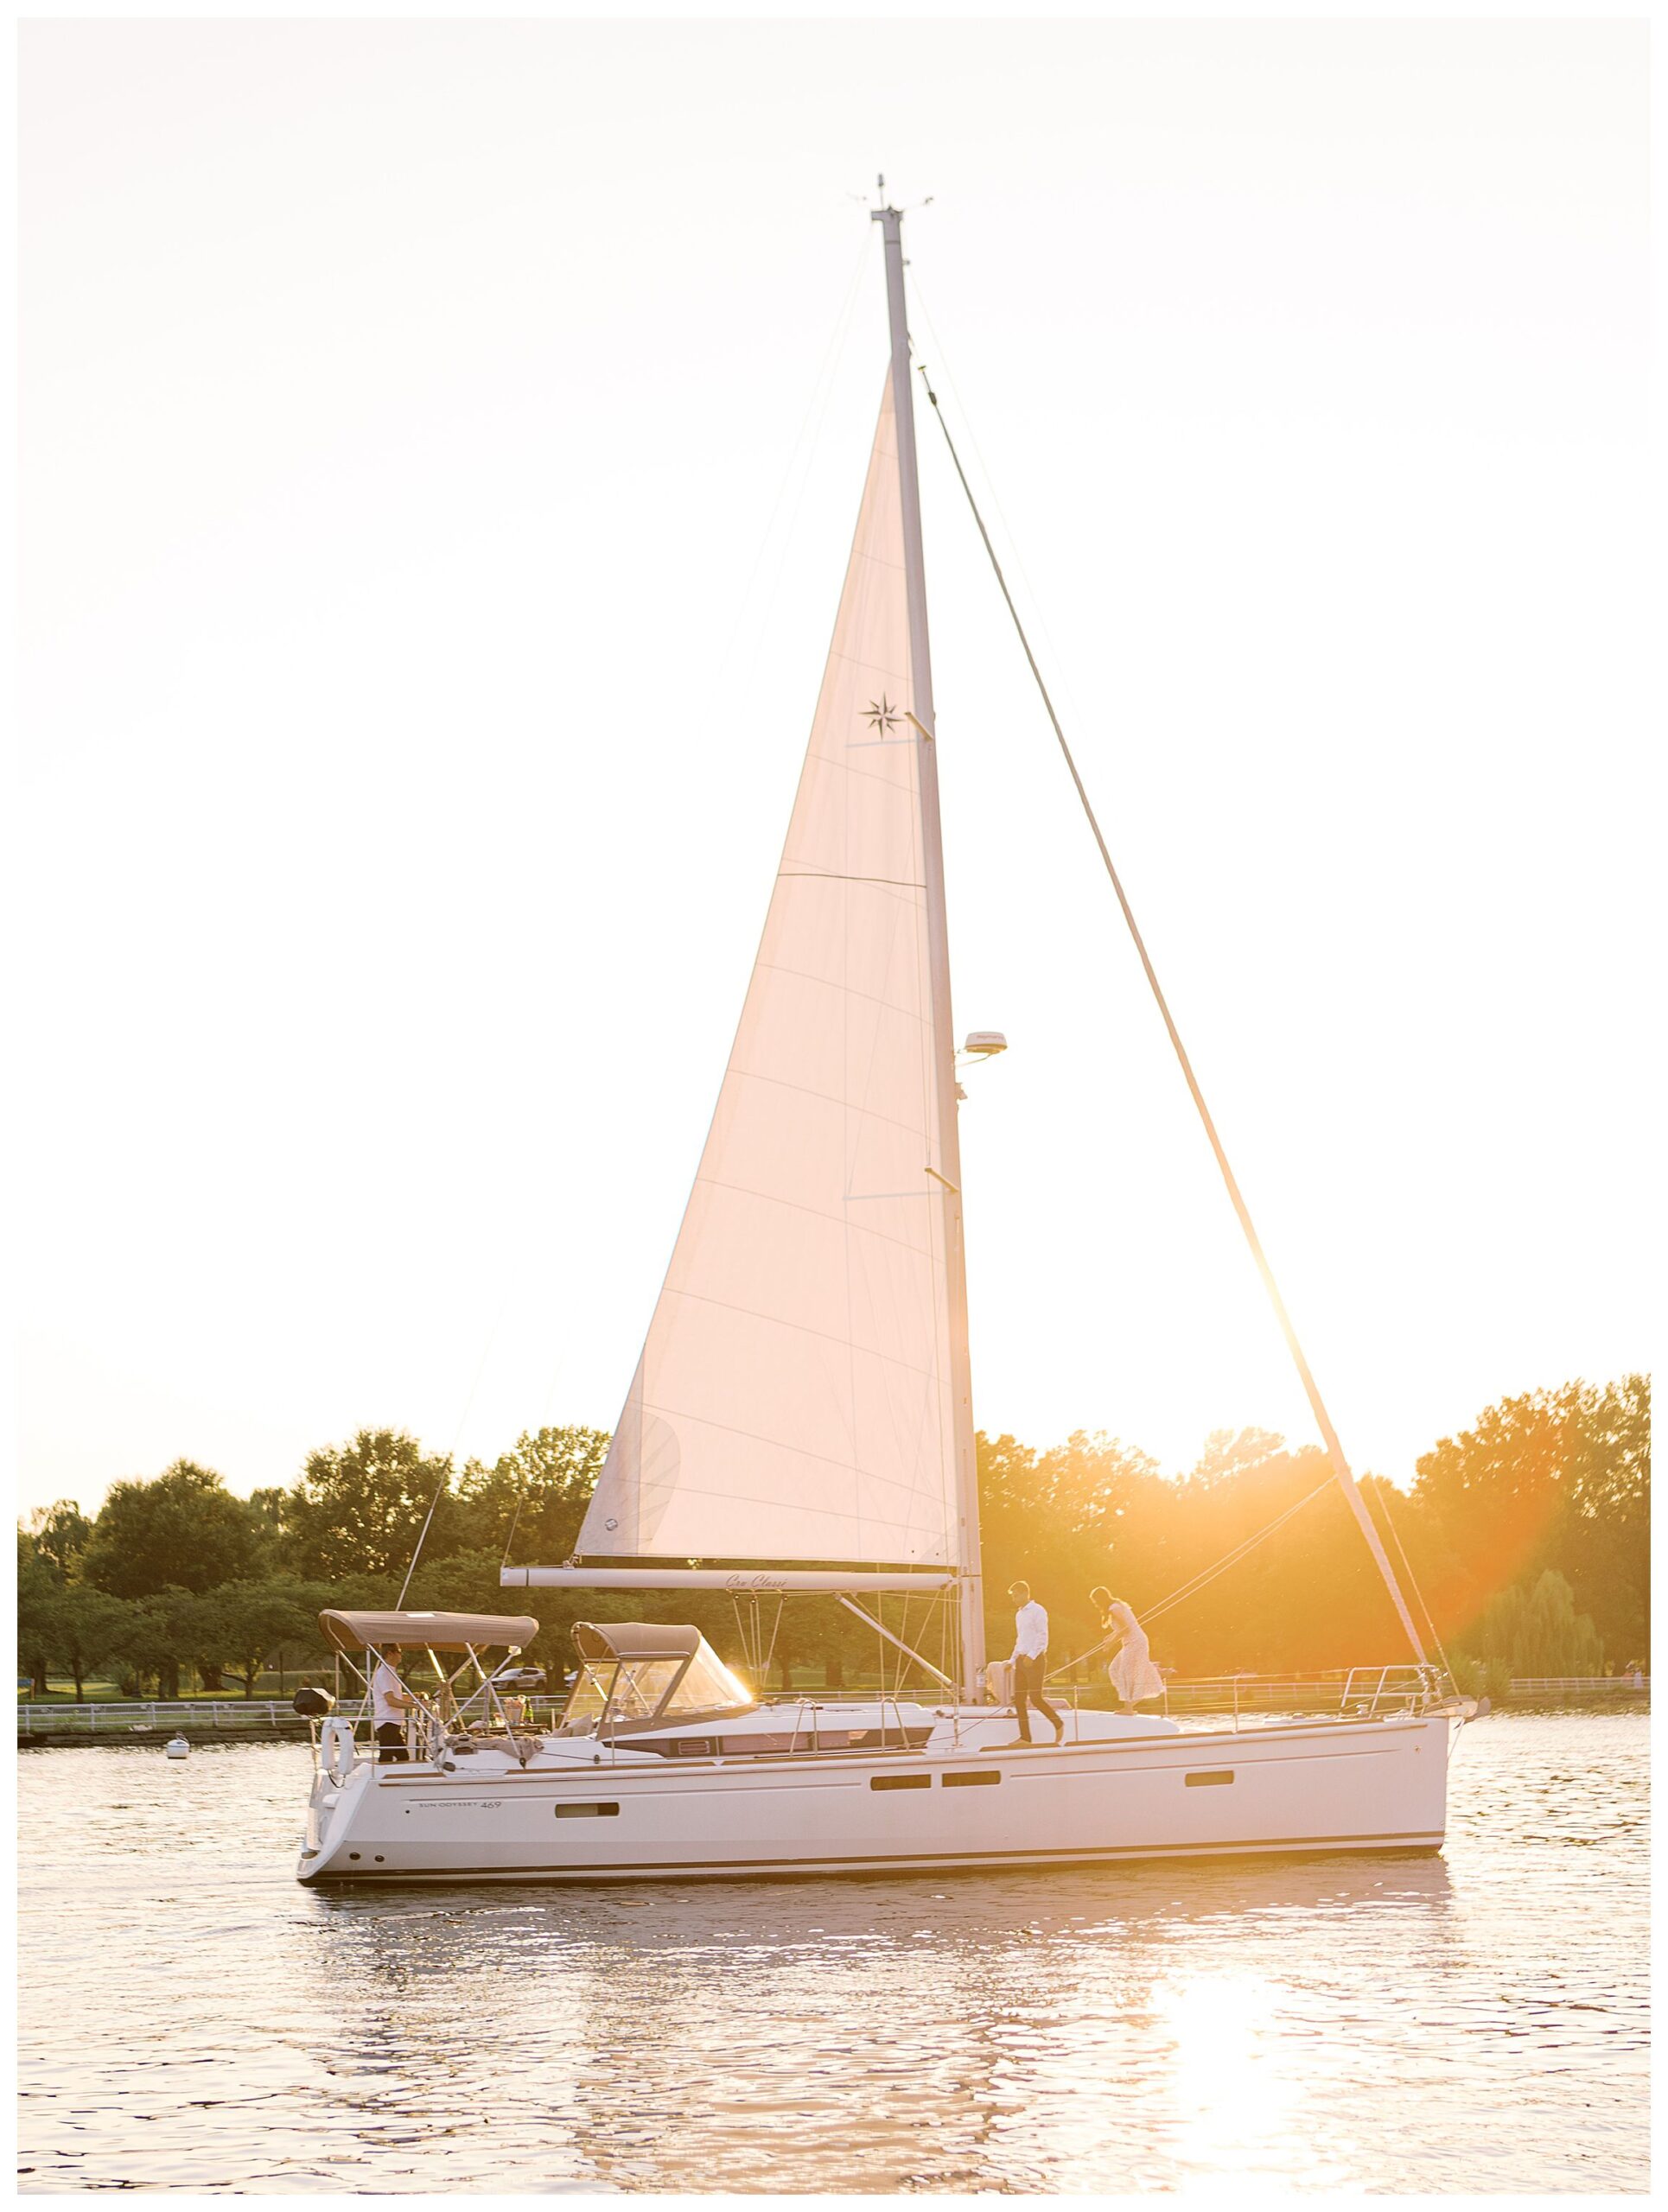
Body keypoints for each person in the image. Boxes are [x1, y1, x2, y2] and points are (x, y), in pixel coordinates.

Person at [1000, 1580, 1064, 1747]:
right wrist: (1012, 1660)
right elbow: (1020, 1639)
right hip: (1021, 1661)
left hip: (1035, 1661)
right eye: (1012, 1596)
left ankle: (1058, 1724)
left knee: (1035, 1698)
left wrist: (1032, 1655)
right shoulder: (1019, 1614)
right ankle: (1025, 1738)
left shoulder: (1038, 1611)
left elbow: (1043, 1636)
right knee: (1019, 1700)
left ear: (1024, 1593)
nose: (1013, 1599)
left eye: (1015, 1595)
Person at [1091, 1587, 1164, 1714]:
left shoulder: (1114, 1608)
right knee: (1114, 1669)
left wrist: (1111, 1643)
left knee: (1126, 1673)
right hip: (1130, 1643)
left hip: (1136, 1642)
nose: (1096, 1604)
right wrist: (1110, 1637)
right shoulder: (1115, 1607)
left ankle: (1128, 1708)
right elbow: (1121, 1628)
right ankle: (1131, 1701)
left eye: (1096, 1601)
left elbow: (1126, 1628)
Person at [371, 1643, 417, 1764]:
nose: (401, 1655)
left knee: (403, 1756)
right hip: (387, 1721)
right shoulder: (384, 1673)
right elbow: (390, 1700)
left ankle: (398, 1780)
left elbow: (398, 1697)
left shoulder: (390, 1672)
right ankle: (381, 1780)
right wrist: (416, 1706)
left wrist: (417, 1697)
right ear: (390, 1653)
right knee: (387, 1755)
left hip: (393, 1721)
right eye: (399, 1651)